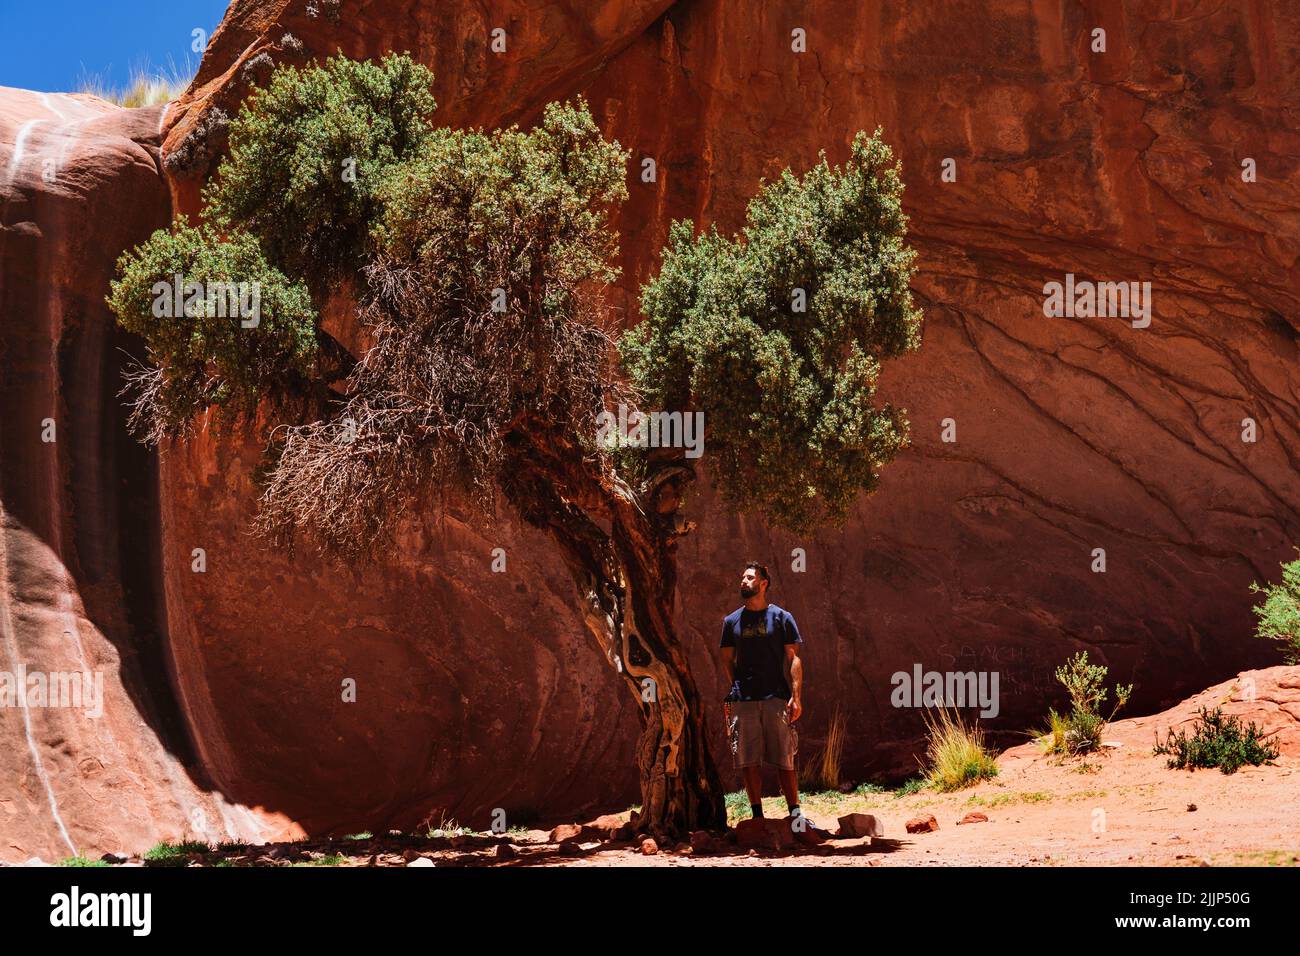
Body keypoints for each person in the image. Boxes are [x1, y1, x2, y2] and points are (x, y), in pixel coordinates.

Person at [719, 561, 816, 830]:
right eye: (742, 577)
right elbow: (727, 658)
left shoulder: (782, 618)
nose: (743, 581)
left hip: (775, 696)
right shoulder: (731, 622)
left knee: (784, 756)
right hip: (743, 700)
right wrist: (737, 686)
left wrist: (796, 696)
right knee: (748, 759)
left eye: (750, 577)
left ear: (763, 583)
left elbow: (793, 658)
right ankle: (757, 816)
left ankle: (795, 815)